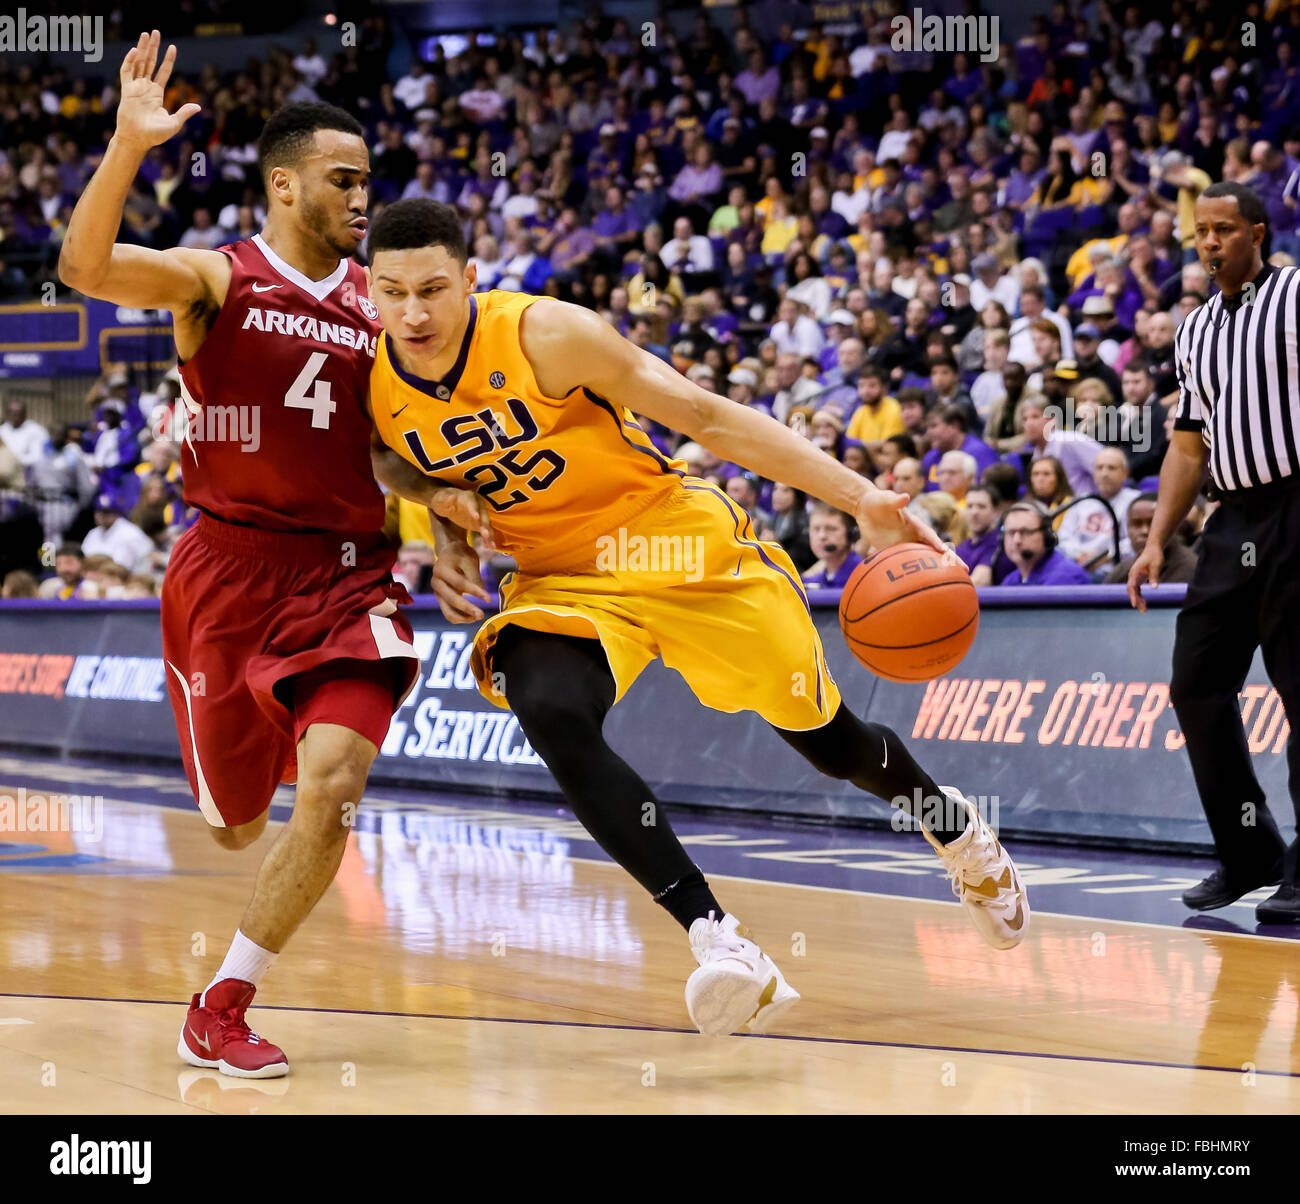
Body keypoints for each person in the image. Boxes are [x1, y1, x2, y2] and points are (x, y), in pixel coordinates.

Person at [365, 198, 1030, 1036]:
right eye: (393, 292)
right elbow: (389, 457)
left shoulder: (549, 335)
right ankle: (719, 941)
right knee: (551, 711)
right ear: (370, 291)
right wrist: (443, 507)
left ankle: (957, 832)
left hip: (672, 544)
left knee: (832, 745)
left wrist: (861, 497)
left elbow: (708, 418)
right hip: (562, 578)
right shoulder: (376, 378)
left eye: (432, 288)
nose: (414, 313)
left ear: (470, 278)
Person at [57, 42, 455, 1077]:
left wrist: (442, 510)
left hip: (348, 574)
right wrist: (127, 148)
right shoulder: (214, 280)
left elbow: (384, 453)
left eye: (368, 179)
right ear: (284, 185)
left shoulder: (383, 303)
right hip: (226, 578)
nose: (364, 196)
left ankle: (222, 1002)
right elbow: (85, 270)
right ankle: (267, 733)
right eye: (344, 179)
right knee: (237, 826)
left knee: (333, 788)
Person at [1129, 182, 1300, 921]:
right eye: (1201, 232)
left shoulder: (1295, 296)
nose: (1209, 243)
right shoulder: (1193, 330)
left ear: (1257, 232)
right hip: (1231, 522)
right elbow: (1188, 443)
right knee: (1196, 684)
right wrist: (1157, 540)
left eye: (1224, 230)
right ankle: (1249, 850)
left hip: (1298, 505)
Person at [1056, 446, 1140, 570]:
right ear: (1094, 474)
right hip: (1078, 565)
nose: (1104, 473)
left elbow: (1137, 541)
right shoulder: (1082, 501)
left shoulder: (1136, 502)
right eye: (1099, 468)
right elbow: (1064, 537)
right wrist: (1079, 555)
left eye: (1111, 468)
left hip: (1115, 568)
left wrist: (1107, 555)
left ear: (1125, 473)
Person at [1105, 492, 1198, 584]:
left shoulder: (1193, 569)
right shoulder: (1120, 573)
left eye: (1152, 523)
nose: (1144, 531)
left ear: (1173, 525)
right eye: (1137, 524)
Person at [1001, 501, 1091, 585]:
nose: (1016, 540)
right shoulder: (1011, 580)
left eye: (1025, 532)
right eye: (1011, 532)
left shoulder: (1066, 577)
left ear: (1047, 536)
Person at [955, 485, 1015, 585]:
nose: (974, 512)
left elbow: (979, 582)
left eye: (981, 506)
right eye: (969, 506)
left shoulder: (1001, 543)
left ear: (996, 511)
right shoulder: (962, 547)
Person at [801, 504, 862, 588]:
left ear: (851, 534)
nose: (822, 536)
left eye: (831, 529)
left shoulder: (864, 576)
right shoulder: (809, 582)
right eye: (816, 529)